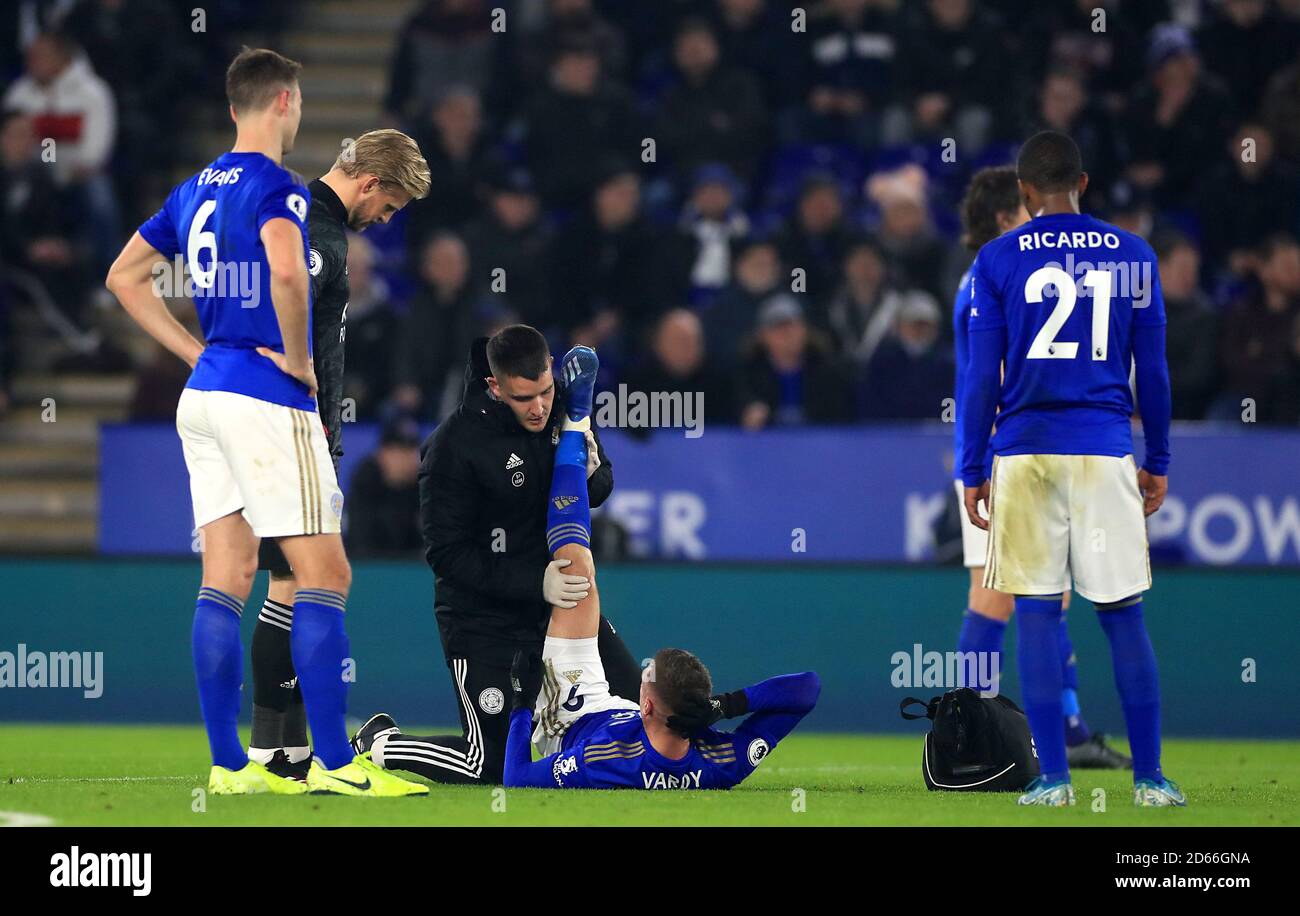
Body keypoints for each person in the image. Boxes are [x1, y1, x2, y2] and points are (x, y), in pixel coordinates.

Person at [103, 48, 425, 797]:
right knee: (327, 573)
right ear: (285, 103)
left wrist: (193, 350)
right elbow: (287, 271)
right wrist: (300, 360)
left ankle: (228, 766)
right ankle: (339, 767)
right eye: (302, 102)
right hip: (264, 395)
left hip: (207, 394)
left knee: (226, 578)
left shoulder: (191, 188)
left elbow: (123, 277)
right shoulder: (279, 187)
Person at [959, 131, 1180, 807]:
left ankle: (1053, 779)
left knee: (1036, 614)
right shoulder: (1135, 255)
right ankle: (1149, 780)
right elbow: (1156, 373)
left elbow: (978, 381)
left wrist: (973, 466)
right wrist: (1159, 459)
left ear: (1025, 192)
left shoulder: (996, 260)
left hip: (1025, 451)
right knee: (1123, 615)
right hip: (1104, 445)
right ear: (1082, 184)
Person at [499, 345, 820, 789]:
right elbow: (808, 688)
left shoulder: (602, 759)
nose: (641, 675)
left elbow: (516, 779)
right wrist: (724, 707)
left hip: (568, 712)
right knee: (577, 572)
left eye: (645, 678)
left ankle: (574, 418)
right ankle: (572, 434)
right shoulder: (718, 759)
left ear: (647, 704)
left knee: (575, 566)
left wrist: (520, 702)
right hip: (616, 709)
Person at [351, 325, 642, 785]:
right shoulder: (453, 447)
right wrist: (534, 580)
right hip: (483, 622)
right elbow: (447, 555)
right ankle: (380, 743)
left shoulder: (564, 406)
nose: (540, 407)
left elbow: (598, 487)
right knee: (490, 764)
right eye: (525, 398)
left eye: (546, 392)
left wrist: (591, 464)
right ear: (495, 385)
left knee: (642, 717)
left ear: (551, 371)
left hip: (560, 611)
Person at [248, 128, 432, 781]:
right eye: (390, 206)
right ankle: (329, 757)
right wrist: (298, 385)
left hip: (279, 428)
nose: (385, 220)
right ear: (371, 183)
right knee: (324, 581)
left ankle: (278, 750)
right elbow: (281, 296)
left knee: (290, 584)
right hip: (292, 430)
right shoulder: (319, 234)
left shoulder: (294, 217)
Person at [949, 165, 1129, 769]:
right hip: (1009, 454)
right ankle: (967, 726)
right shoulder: (994, 280)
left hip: (1012, 451)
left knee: (1049, 599)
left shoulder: (989, 277)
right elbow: (996, 377)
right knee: (998, 598)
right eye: (1028, 213)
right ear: (1007, 219)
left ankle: (1069, 729)